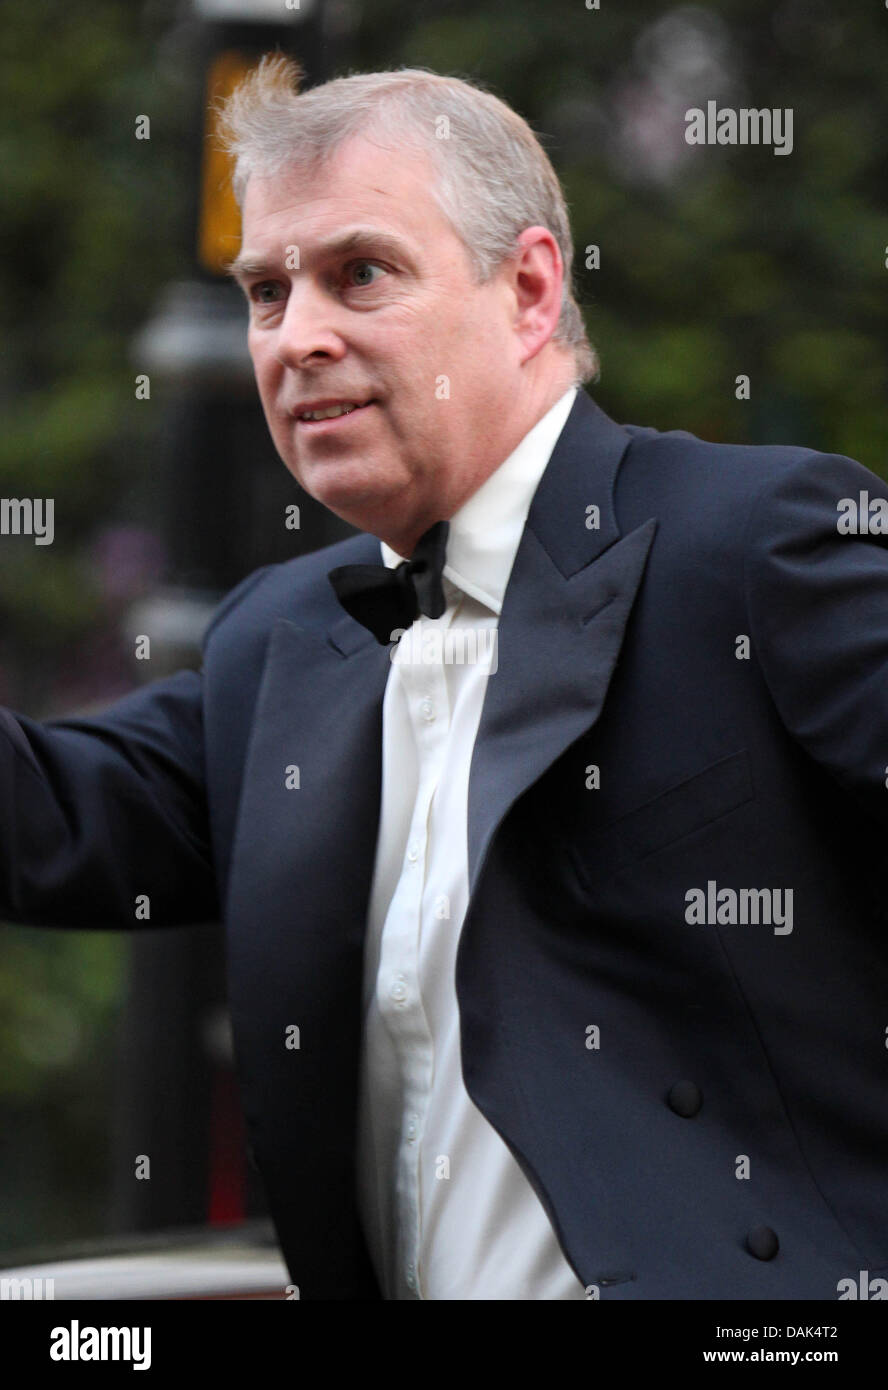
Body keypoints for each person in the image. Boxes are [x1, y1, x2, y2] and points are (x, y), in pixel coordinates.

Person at [3, 54, 887, 1301]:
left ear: (528, 289)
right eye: (266, 291)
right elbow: (46, 813)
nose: (298, 335)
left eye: (359, 272)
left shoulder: (757, 543)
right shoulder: (280, 639)